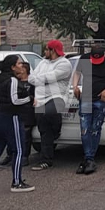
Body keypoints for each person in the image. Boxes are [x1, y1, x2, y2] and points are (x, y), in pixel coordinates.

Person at [0, 54, 35, 193]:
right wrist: (29, 98)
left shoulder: (0, 79)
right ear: (13, 67)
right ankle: (16, 182)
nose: (22, 66)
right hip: (11, 117)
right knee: (19, 150)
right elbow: (14, 100)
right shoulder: (12, 80)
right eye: (19, 64)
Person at [72, 42, 105, 175]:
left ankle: (89, 159)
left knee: (95, 128)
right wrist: (75, 86)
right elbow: (77, 73)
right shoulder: (84, 58)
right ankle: (89, 159)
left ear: (104, 54)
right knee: (85, 129)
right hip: (86, 98)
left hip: (101, 99)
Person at [29, 40, 72, 171]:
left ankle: (56, 130)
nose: (44, 52)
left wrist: (39, 79)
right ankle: (46, 159)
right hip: (41, 98)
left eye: (47, 49)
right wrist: (39, 79)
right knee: (42, 123)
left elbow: (47, 78)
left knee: (50, 112)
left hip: (57, 96)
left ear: (53, 51)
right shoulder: (43, 62)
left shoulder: (65, 64)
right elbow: (31, 78)